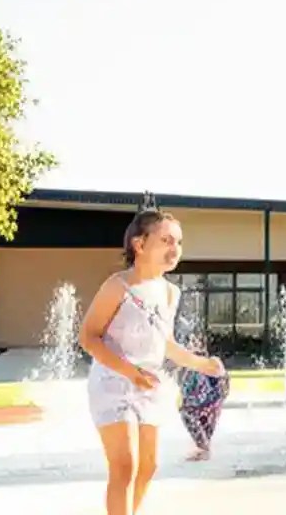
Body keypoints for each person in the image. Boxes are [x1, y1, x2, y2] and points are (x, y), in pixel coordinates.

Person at [79, 209, 224, 515]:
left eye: (179, 242)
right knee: (125, 466)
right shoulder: (117, 286)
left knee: (148, 466)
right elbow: (88, 337)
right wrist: (130, 372)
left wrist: (202, 364)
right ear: (139, 244)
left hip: (149, 386)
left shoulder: (171, 293)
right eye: (166, 240)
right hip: (113, 383)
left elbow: (165, 345)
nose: (175, 249)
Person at [178, 356, 231, 461]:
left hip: (209, 400)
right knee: (204, 423)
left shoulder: (200, 368)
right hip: (212, 400)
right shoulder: (200, 368)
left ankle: (203, 449)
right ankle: (203, 448)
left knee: (189, 414)